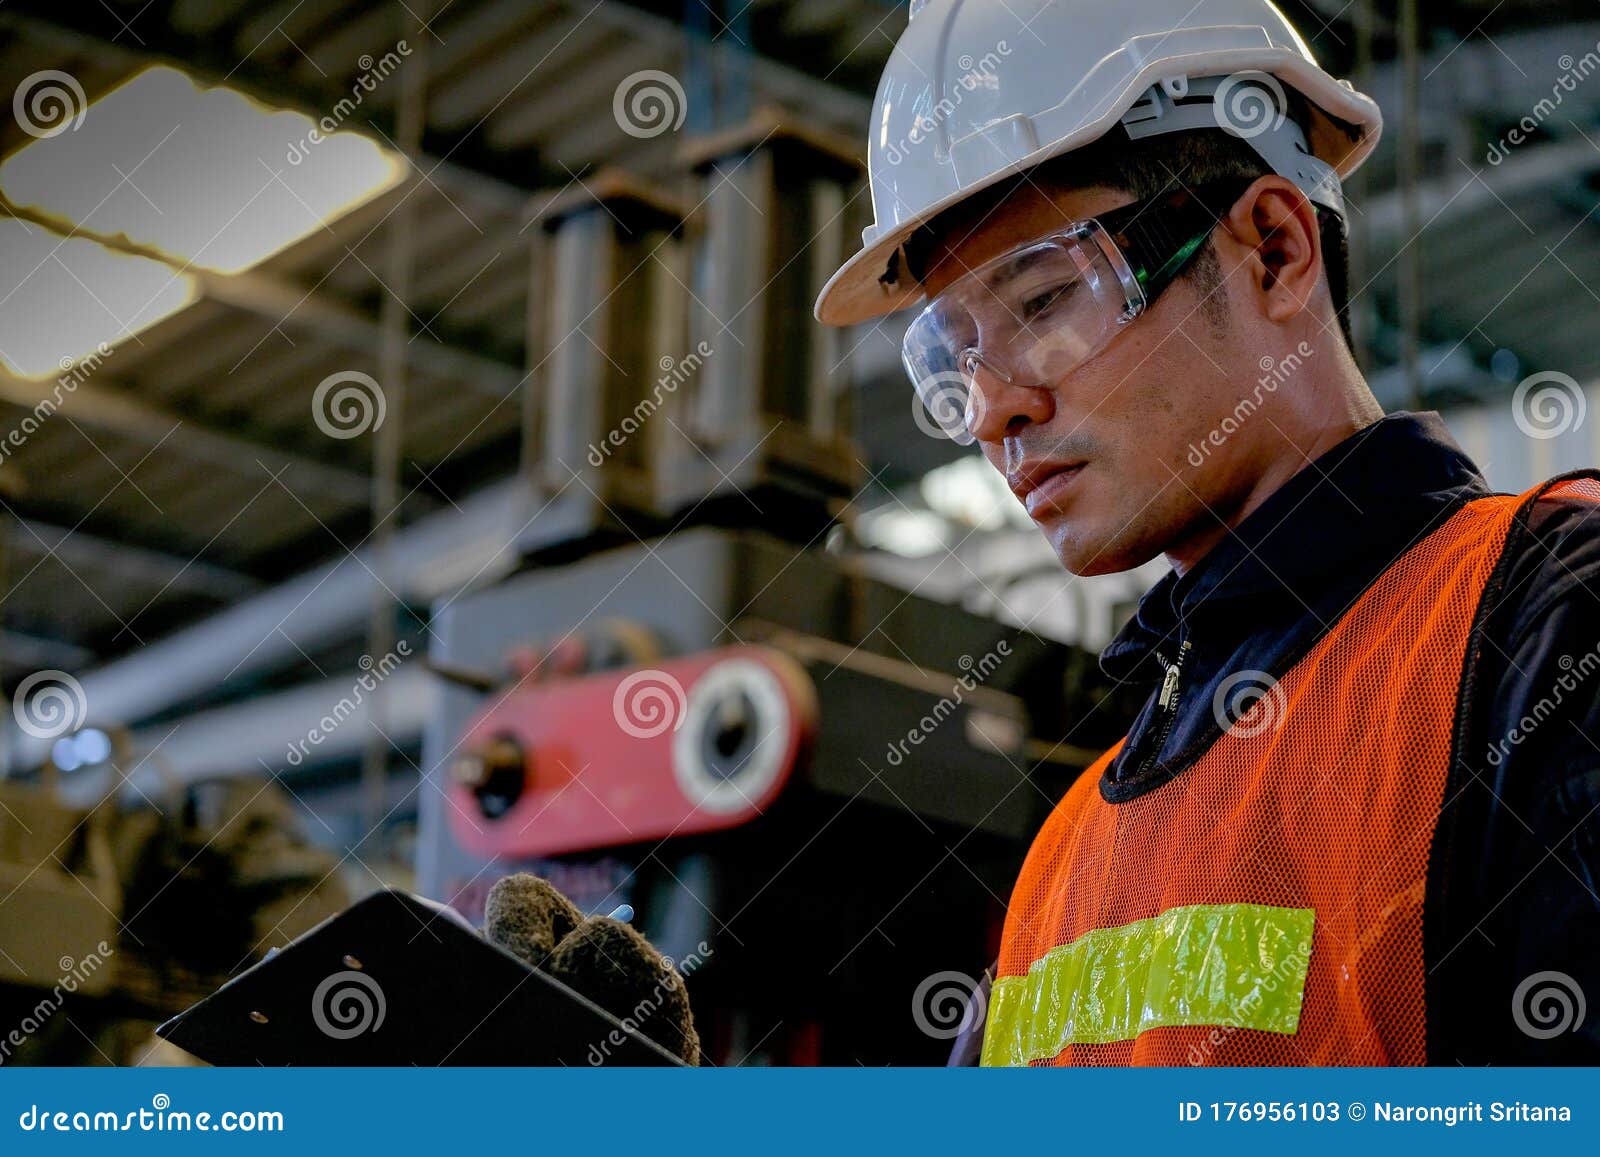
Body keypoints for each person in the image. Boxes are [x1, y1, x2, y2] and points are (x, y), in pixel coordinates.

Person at [815, 0, 1600, 1065]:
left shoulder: (1543, 629)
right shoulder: (1068, 854)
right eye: (954, 358)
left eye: (1044, 302)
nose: (992, 409)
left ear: (1272, 249)